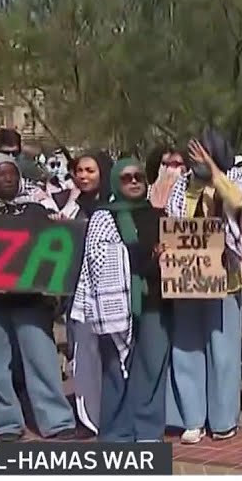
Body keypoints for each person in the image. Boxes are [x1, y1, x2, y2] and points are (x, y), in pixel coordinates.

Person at [0, 153, 79, 442]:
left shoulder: (35, 212)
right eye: (0, 174)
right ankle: (6, 423)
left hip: (31, 303)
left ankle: (56, 420)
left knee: (42, 360)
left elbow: (55, 254)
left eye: (12, 174)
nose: (7, 179)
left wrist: (60, 230)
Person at [165, 132, 242, 444]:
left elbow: (241, 204)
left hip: (225, 279)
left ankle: (222, 419)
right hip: (186, 277)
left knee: (223, 351)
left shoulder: (233, 178)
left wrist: (214, 171)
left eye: (202, 155)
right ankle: (190, 418)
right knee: (186, 347)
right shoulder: (180, 185)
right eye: (192, 156)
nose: (195, 162)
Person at [75, 159, 171, 442]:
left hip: (154, 302)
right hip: (116, 305)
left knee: (152, 368)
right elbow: (99, 259)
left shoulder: (159, 216)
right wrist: (146, 255)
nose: (133, 182)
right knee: (116, 369)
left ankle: (148, 431)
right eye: (127, 177)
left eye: (138, 177)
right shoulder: (103, 217)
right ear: (116, 181)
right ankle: (117, 433)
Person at [54, 151, 115, 431]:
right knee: (83, 357)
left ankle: (111, 413)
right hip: (77, 297)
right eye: (79, 170)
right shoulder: (71, 206)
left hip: (111, 298)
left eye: (90, 170)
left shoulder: (114, 206)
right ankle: (87, 417)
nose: (83, 176)